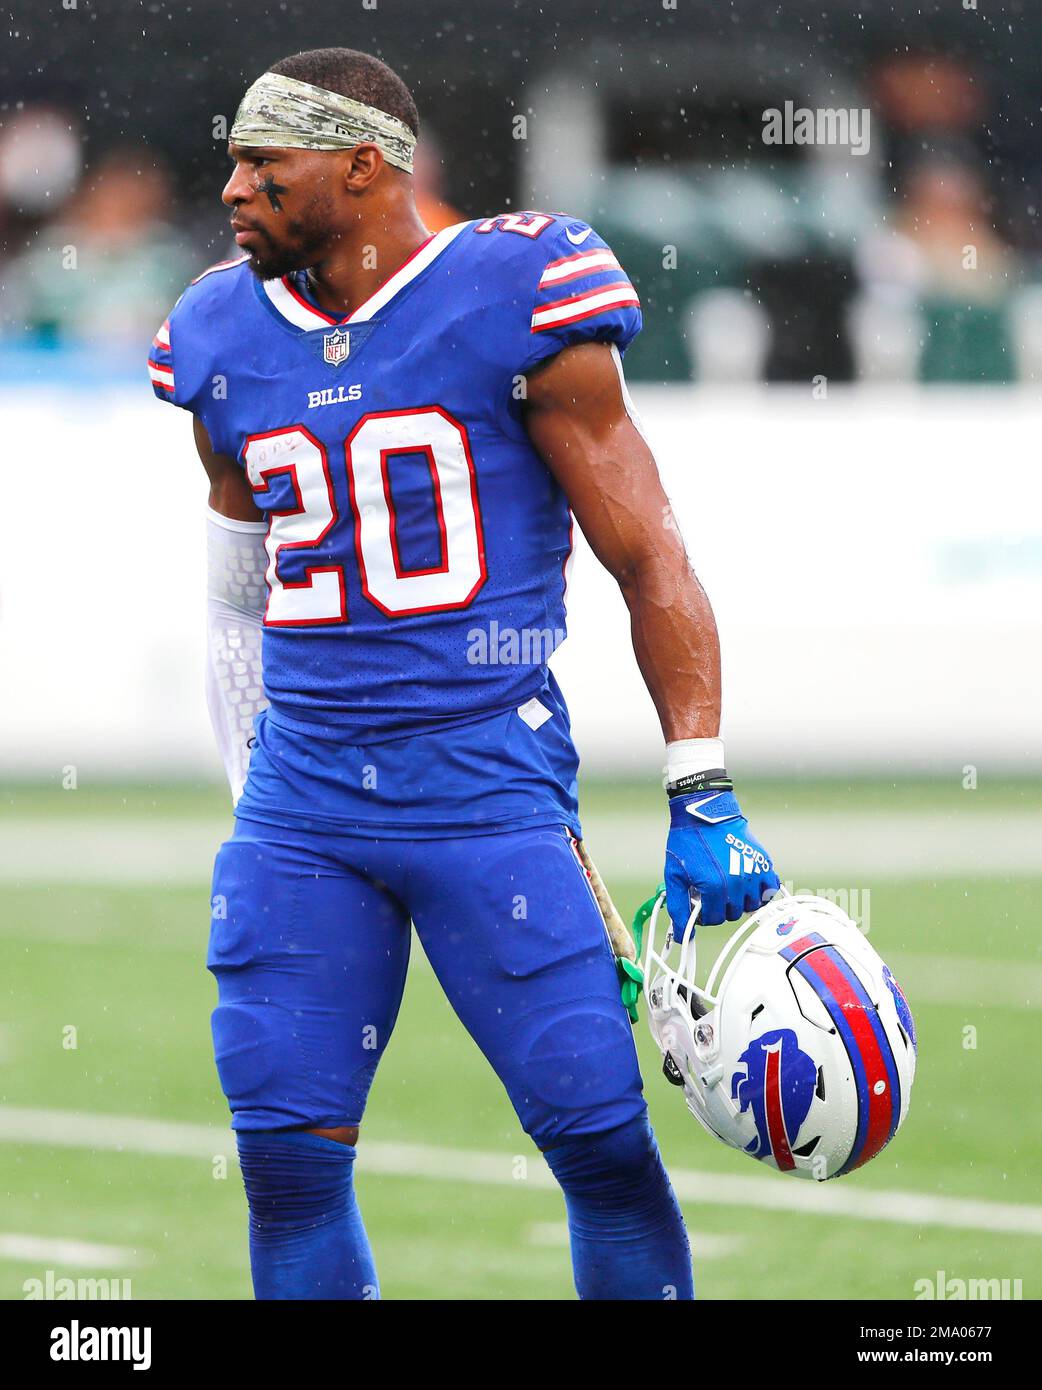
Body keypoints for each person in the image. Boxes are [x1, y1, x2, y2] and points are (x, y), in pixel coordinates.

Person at [148, 46, 779, 1301]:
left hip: (487, 790)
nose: (233, 187)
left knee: (599, 1146)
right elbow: (235, 597)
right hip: (306, 808)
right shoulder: (221, 326)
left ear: (361, 165)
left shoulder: (513, 289)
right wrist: (254, 793)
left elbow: (647, 555)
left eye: (264, 163)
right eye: (233, 162)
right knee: (284, 1162)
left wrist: (699, 784)